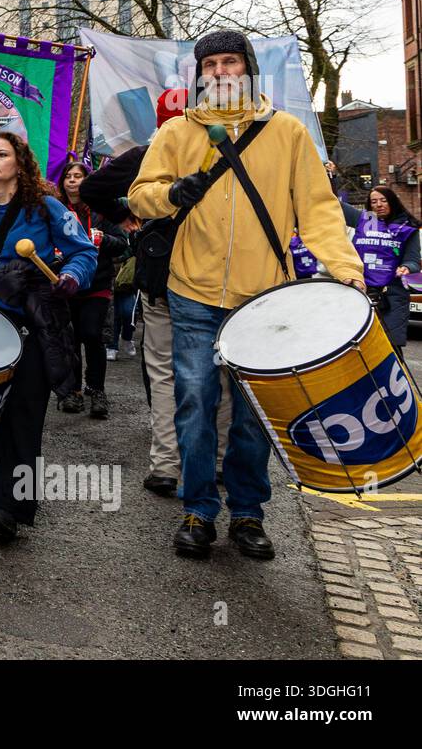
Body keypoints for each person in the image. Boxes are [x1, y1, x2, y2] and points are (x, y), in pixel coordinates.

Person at [128, 30, 364, 560]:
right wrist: (171, 193)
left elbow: (319, 211)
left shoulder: (287, 133)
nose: (219, 72)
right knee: (195, 405)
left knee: (255, 416)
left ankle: (249, 514)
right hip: (191, 294)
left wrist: (346, 271)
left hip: (264, 300)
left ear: (249, 69)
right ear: (199, 75)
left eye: (230, 61)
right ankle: (198, 510)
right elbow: (140, 197)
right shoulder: (174, 132)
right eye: (209, 64)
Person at [0, 132, 96, 541]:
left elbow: (83, 252)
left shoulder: (46, 209)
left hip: (36, 324)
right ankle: (9, 501)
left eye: (1, 154)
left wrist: (72, 277)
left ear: (19, 163)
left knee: (23, 418)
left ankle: (9, 508)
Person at [82, 88, 232, 498]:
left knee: (165, 371)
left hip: (162, 273)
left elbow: (92, 189)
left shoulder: (144, 155)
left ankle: (167, 464)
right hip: (212, 277)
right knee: (218, 368)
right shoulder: (229, 155)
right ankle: (218, 460)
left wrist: (125, 216)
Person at [53, 161, 127, 419]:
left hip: (97, 284)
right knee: (70, 338)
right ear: (62, 182)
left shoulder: (102, 210)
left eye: (79, 176)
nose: (73, 180)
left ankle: (96, 390)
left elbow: (122, 244)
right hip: (65, 285)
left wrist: (103, 239)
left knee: (92, 334)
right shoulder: (56, 210)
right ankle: (72, 391)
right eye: (68, 177)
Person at [340, 185, 420, 351]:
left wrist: (406, 267)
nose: (379, 204)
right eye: (374, 201)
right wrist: (328, 175)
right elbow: (334, 203)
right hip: (361, 291)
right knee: (360, 345)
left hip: (393, 295)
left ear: (392, 202)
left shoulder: (408, 228)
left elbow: (413, 260)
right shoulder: (364, 219)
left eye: (383, 200)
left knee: (391, 346)